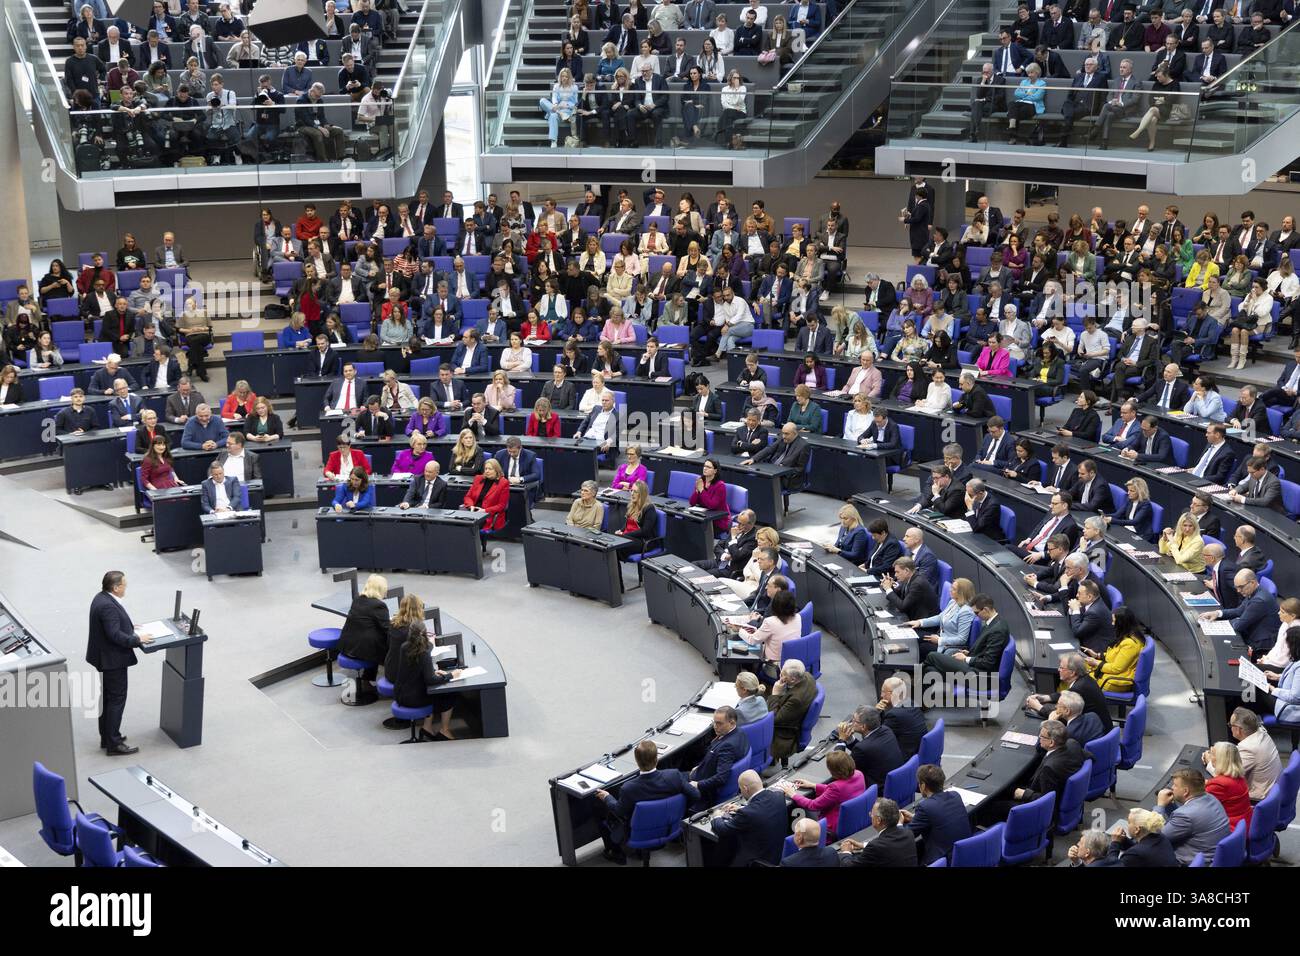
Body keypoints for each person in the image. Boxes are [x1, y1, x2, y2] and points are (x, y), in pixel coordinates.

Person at [593, 739, 695, 865]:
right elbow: (695, 795)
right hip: (671, 828)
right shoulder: (674, 776)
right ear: (656, 759)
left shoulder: (629, 788)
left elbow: (618, 811)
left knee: (599, 808)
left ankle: (616, 853)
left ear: (637, 761)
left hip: (638, 835)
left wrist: (607, 797)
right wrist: (678, 811)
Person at [87, 571, 154, 756]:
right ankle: (114, 744)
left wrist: (130, 627)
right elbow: (114, 635)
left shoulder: (101, 597)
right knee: (116, 700)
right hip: (112, 660)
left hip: (104, 657)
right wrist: (137, 639)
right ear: (116, 588)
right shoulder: (108, 606)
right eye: (124, 584)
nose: (126, 587)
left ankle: (107, 737)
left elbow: (113, 626)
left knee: (108, 698)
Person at [387, 594, 462, 742]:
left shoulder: (404, 646)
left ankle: (427, 728)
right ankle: (444, 730)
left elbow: (414, 669)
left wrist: (433, 671)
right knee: (449, 694)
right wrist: (451, 675)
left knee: (429, 688)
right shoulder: (424, 650)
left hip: (400, 694)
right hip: (415, 698)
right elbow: (430, 679)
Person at [708, 768, 788, 867]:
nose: (740, 792)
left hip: (756, 861)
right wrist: (741, 808)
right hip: (778, 852)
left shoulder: (747, 814)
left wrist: (717, 815)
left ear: (745, 788)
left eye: (740, 789)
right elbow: (763, 808)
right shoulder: (778, 796)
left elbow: (723, 830)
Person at [923, 593, 1010, 680]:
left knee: (932, 656)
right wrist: (969, 653)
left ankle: (915, 678)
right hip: (975, 666)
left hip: (980, 675)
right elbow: (985, 650)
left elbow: (988, 662)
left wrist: (966, 659)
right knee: (930, 670)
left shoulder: (998, 630)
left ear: (985, 610)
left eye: (976, 613)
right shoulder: (992, 623)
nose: (976, 616)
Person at [782, 750, 866, 839]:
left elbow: (812, 805)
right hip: (852, 820)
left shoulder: (836, 787)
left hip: (831, 828)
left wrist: (793, 794)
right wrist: (813, 785)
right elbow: (840, 791)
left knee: (799, 807)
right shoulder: (859, 774)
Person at [1156, 768, 1233, 865]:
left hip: (1196, 862)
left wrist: (1160, 806)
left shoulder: (1185, 816)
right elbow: (1180, 819)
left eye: (1175, 785)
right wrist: (1169, 805)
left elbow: (1156, 837)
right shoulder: (1211, 798)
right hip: (1217, 857)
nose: (1172, 788)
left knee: (1145, 852)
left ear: (1185, 791)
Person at [900, 764, 972, 864]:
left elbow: (905, 836)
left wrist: (899, 822)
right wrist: (915, 818)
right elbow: (937, 817)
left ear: (923, 786)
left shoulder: (925, 807)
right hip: (965, 855)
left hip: (944, 862)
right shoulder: (955, 795)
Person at [1209, 708, 1281, 801]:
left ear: (1238, 730)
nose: (1230, 727)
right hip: (1273, 791)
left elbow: (1226, 778)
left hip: (1258, 799)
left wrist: (1210, 762)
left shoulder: (1249, 749)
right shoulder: (1262, 733)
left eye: (1230, 725)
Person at [337, 573, 390, 699]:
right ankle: (393, 683)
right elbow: (387, 629)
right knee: (390, 647)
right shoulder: (379, 605)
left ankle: (366, 680)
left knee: (374, 639)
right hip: (360, 650)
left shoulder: (357, 600)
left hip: (347, 646)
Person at [834, 706, 904, 789]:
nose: (851, 722)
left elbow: (841, 768)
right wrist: (849, 739)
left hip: (878, 791)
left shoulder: (862, 748)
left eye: (854, 720)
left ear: (863, 727)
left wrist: (841, 740)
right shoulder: (886, 730)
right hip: (895, 783)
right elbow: (866, 751)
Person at [838, 798, 918, 867]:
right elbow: (888, 844)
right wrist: (863, 845)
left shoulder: (876, 847)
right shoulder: (907, 833)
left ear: (878, 820)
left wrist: (846, 851)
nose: (870, 816)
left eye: (871, 814)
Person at [910, 576, 975, 659]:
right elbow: (940, 617)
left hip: (948, 646)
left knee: (921, 647)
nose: (950, 590)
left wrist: (939, 640)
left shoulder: (966, 612)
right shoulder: (953, 602)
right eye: (951, 587)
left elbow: (962, 639)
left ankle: (914, 670)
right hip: (940, 636)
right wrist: (919, 622)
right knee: (914, 636)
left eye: (954, 589)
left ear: (962, 593)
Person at [767, 658, 816, 761]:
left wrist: (775, 694)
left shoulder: (796, 699)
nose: (780, 676)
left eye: (783, 674)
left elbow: (774, 719)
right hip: (792, 716)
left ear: (793, 679)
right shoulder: (808, 676)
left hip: (785, 733)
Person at [876, 675, 928, 759]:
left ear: (892, 693)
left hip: (904, 759)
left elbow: (879, 738)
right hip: (917, 752)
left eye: (883, 691)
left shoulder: (894, 715)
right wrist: (880, 712)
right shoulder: (912, 703)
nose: (881, 695)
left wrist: (875, 714)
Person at [461, 457, 510, 538]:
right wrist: (471, 506)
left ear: (496, 470)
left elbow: (501, 505)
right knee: (459, 524)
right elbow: (468, 496)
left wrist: (484, 510)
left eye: (490, 469)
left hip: (488, 515)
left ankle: (472, 549)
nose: (487, 471)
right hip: (472, 511)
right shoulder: (478, 478)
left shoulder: (503, 483)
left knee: (471, 527)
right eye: (486, 468)